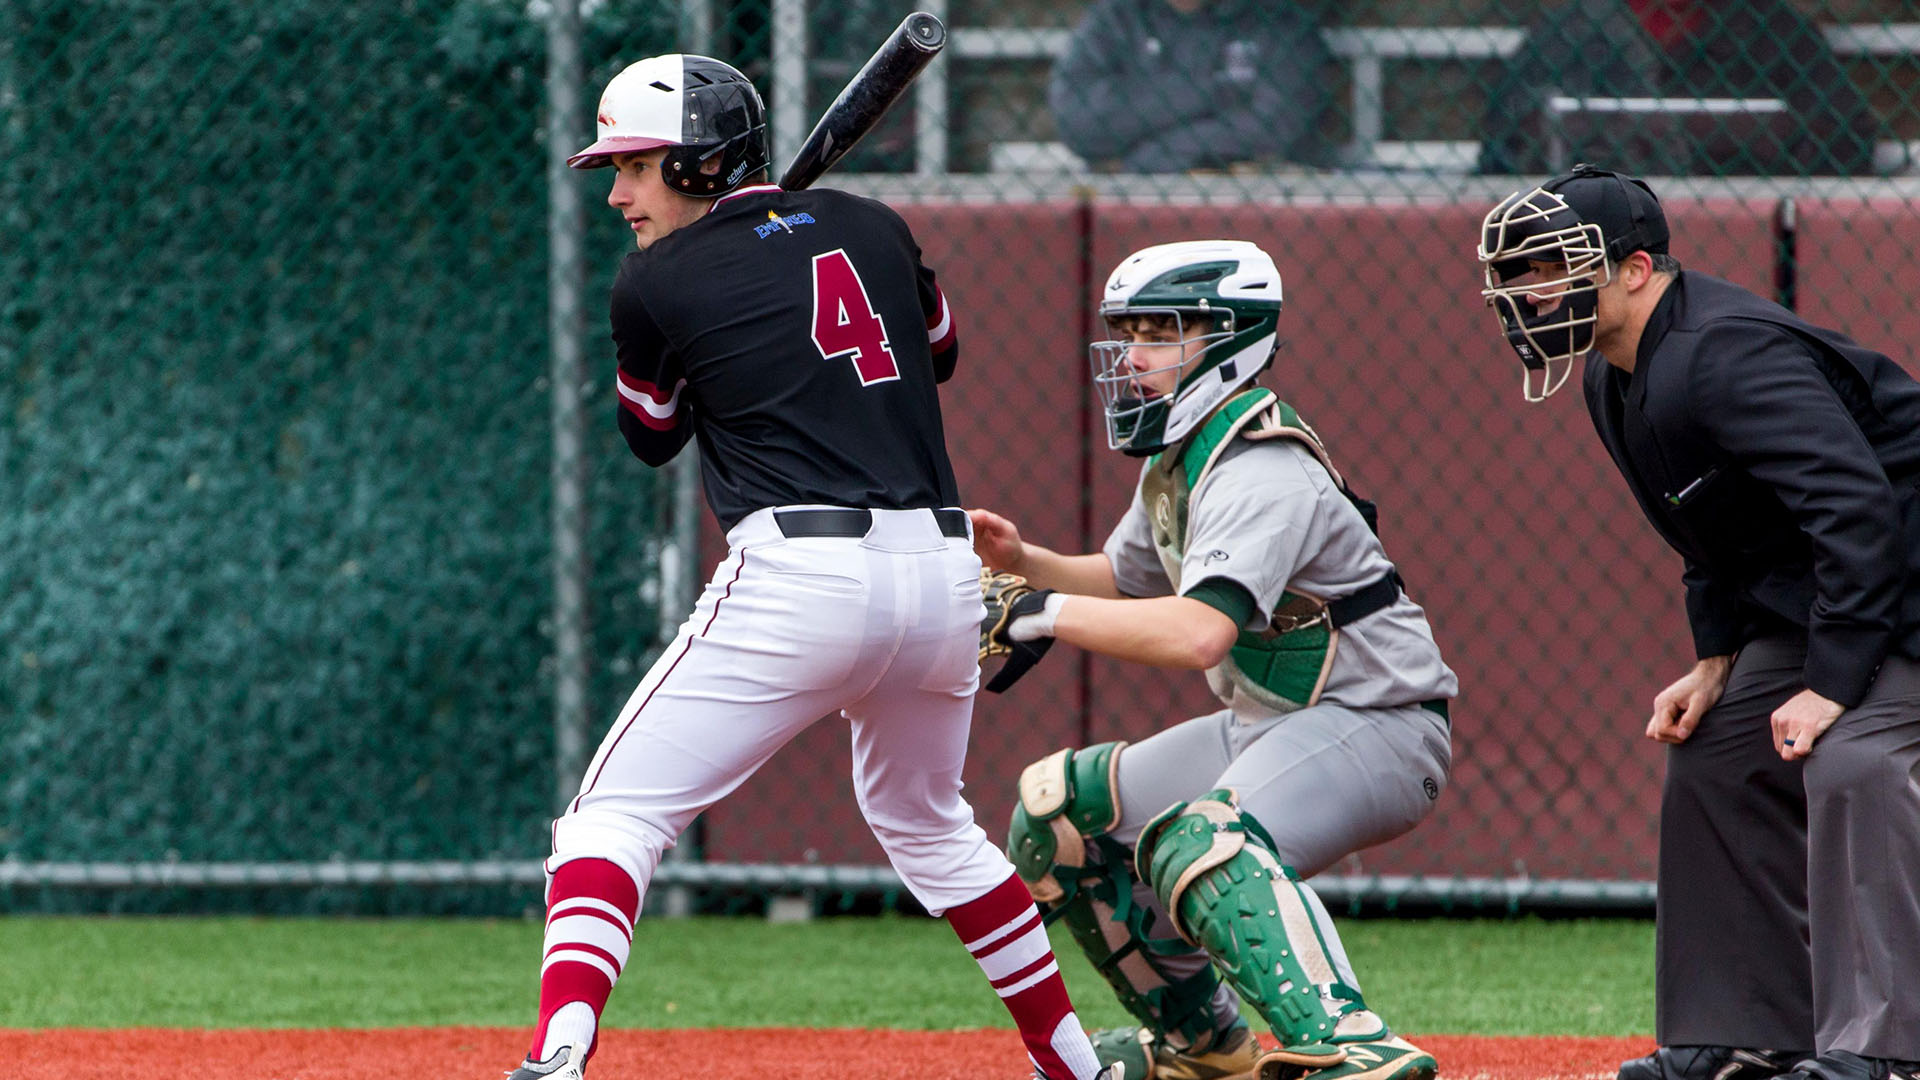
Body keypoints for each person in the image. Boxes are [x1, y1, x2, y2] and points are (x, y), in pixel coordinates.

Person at [504, 53, 1120, 1080]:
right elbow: (943, 348)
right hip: (938, 579)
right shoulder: (873, 222)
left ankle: (558, 1055)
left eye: (637, 168)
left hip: (798, 579)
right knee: (929, 825)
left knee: (611, 817)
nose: (615, 194)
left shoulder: (653, 282)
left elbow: (650, 435)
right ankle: (1072, 1064)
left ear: (701, 167)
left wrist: (725, 339)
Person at [972, 239, 1457, 1080]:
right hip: (1276, 723)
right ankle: (1211, 1052)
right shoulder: (1186, 456)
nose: (1134, 355)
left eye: (1162, 332)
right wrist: (1028, 563)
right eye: (1133, 332)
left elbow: (1200, 633)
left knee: (1206, 837)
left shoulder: (1259, 465)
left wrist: (1045, 615)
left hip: (1379, 726)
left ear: (1228, 343)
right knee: (1058, 815)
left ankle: (1352, 1045)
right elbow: (1122, 578)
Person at [1476, 164, 1920, 1080]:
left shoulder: (1724, 351)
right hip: (1854, 588)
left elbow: (1858, 511)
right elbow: (1709, 533)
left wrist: (1832, 686)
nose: (1527, 295)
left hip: (1896, 579)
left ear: (1636, 269)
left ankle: (1888, 1052)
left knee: (1856, 758)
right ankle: (1750, 1035)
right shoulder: (1613, 376)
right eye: (1516, 276)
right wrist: (1716, 660)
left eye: (1551, 269)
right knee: (1716, 749)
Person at [1478, 0, 1881, 177]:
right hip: (1598, 242)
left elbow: (1849, 139)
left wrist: (1761, 135)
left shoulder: (1774, 31)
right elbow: (1502, 149)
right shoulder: (1570, 32)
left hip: (1736, 239)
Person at [1046, 0, 1335, 174]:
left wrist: (1154, 155)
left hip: (1250, 204)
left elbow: (1278, 126)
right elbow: (1078, 122)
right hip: (1136, 205)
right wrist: (1211, 92)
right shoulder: (1116, 17)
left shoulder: (1276, 18)